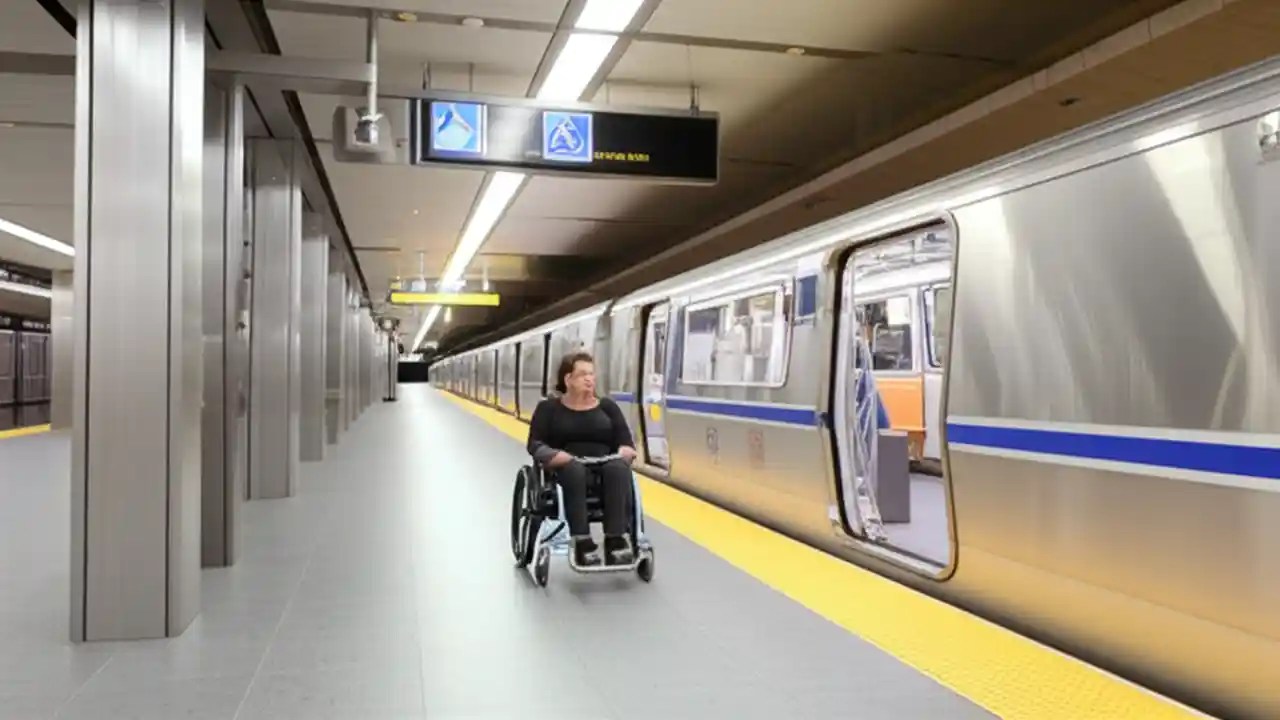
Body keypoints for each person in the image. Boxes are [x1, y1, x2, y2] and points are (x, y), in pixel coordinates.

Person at [527, 351, 638, 567]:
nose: (589, 379)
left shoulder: (607, 407)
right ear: (567, 380)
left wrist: (626, 451)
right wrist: (554, 456)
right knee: (574, 469)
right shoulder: (548, 409)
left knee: (618, 469)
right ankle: (582, 542)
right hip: (565, 467)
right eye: (582, 374)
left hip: (604, 464)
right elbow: (535, 444)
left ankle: (615, 540)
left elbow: (626, 442)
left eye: (592, 374)